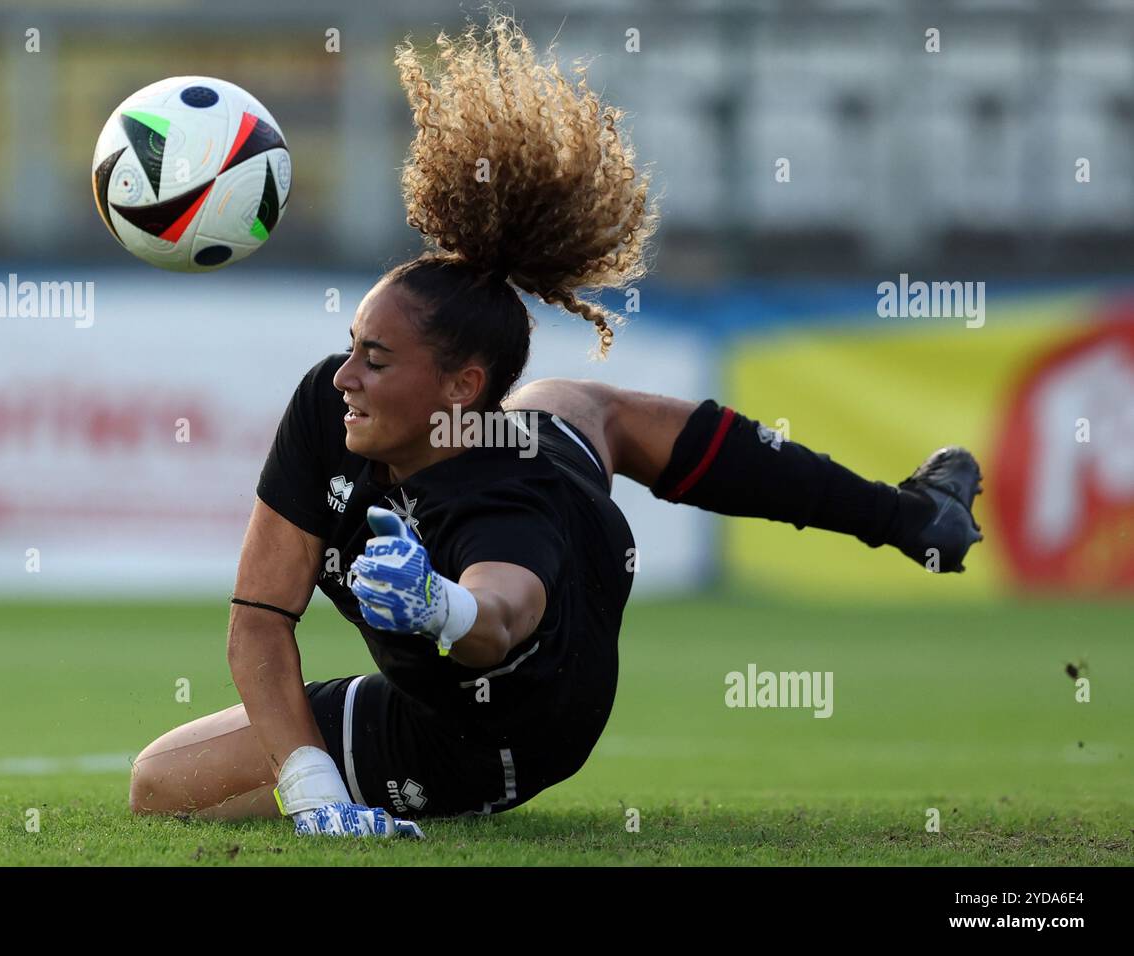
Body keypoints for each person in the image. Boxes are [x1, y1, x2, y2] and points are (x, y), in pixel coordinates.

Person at [128, 13, 982, 837]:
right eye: (352, 347)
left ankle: (902, 516)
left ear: (461, 387)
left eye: (376, 360)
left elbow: (501, 615)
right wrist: (310, 786)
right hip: (534, 505)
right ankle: (909, 515)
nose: (345, 376)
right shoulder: (334, 407)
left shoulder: (503, 500)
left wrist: (436, 606)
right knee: (582, 405)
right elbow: (258, 618)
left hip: (508, 725)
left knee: (160, 784)